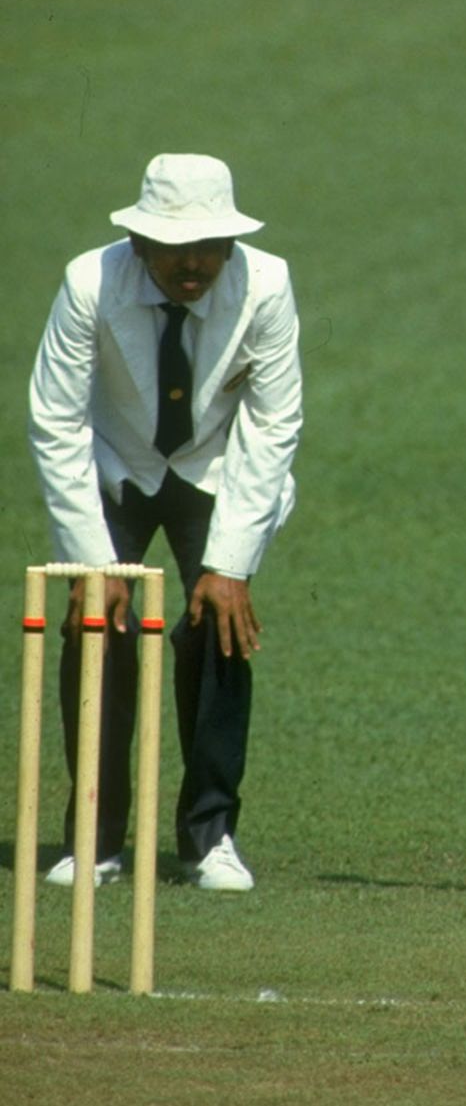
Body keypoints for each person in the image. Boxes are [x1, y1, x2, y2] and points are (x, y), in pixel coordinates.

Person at [28, 153, 303, 888]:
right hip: (115, 462)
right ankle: (96, 838)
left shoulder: (266, 283)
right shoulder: (90, 281)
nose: (196, 263)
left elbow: (274, 426)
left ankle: (210, 837)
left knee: (219, 619)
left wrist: (231, 564)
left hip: (216, 465)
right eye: (178, 247)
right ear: (141, 242)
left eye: (212, 246)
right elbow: (55, 420)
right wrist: (92, 563)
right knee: (98, 627)